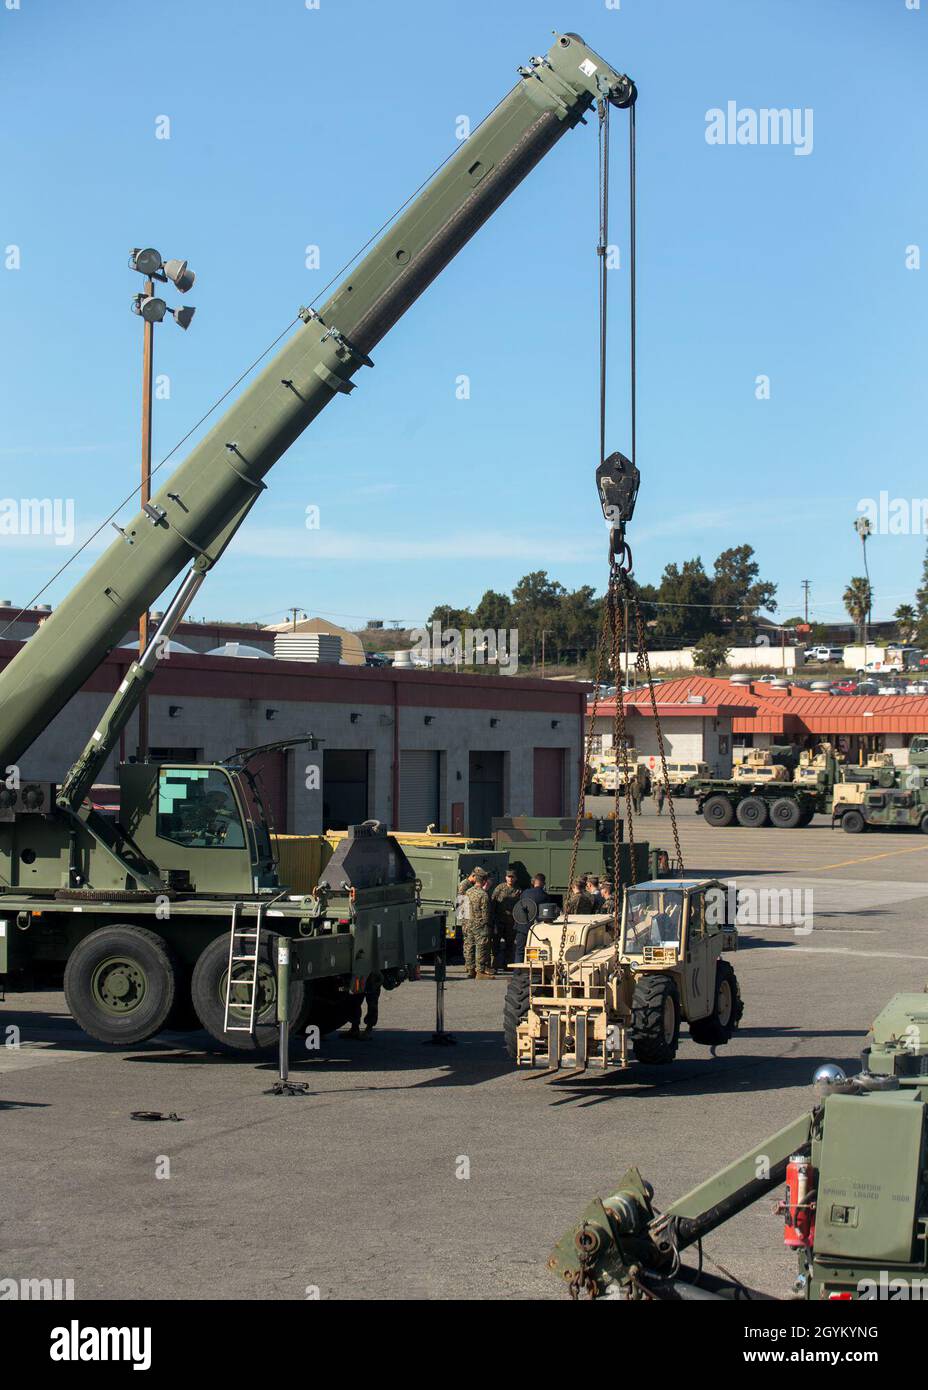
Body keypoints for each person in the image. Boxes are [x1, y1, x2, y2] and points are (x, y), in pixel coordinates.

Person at [462, 868, 493, 979]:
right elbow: (486, 913)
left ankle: (470, 969)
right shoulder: (483, 895)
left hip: (468, 923)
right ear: (484, 881)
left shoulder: (468, 892)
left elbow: (462, 909)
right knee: (481, 947)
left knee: (469, 945)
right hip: (480, 924)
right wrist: (486, 925)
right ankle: (480, 972)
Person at [490, 868, 521, 968]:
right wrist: (493, 918)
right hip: (499, 920)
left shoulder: (518, 890)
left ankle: (507, 964)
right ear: (505, 877)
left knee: (510, 944)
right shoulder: (500, 888)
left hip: (511, 922)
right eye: (509, 877)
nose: (510, 879)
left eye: (512, 877)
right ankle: (494, 963)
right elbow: (493, 902)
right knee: (495, 943)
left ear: (516, 878)